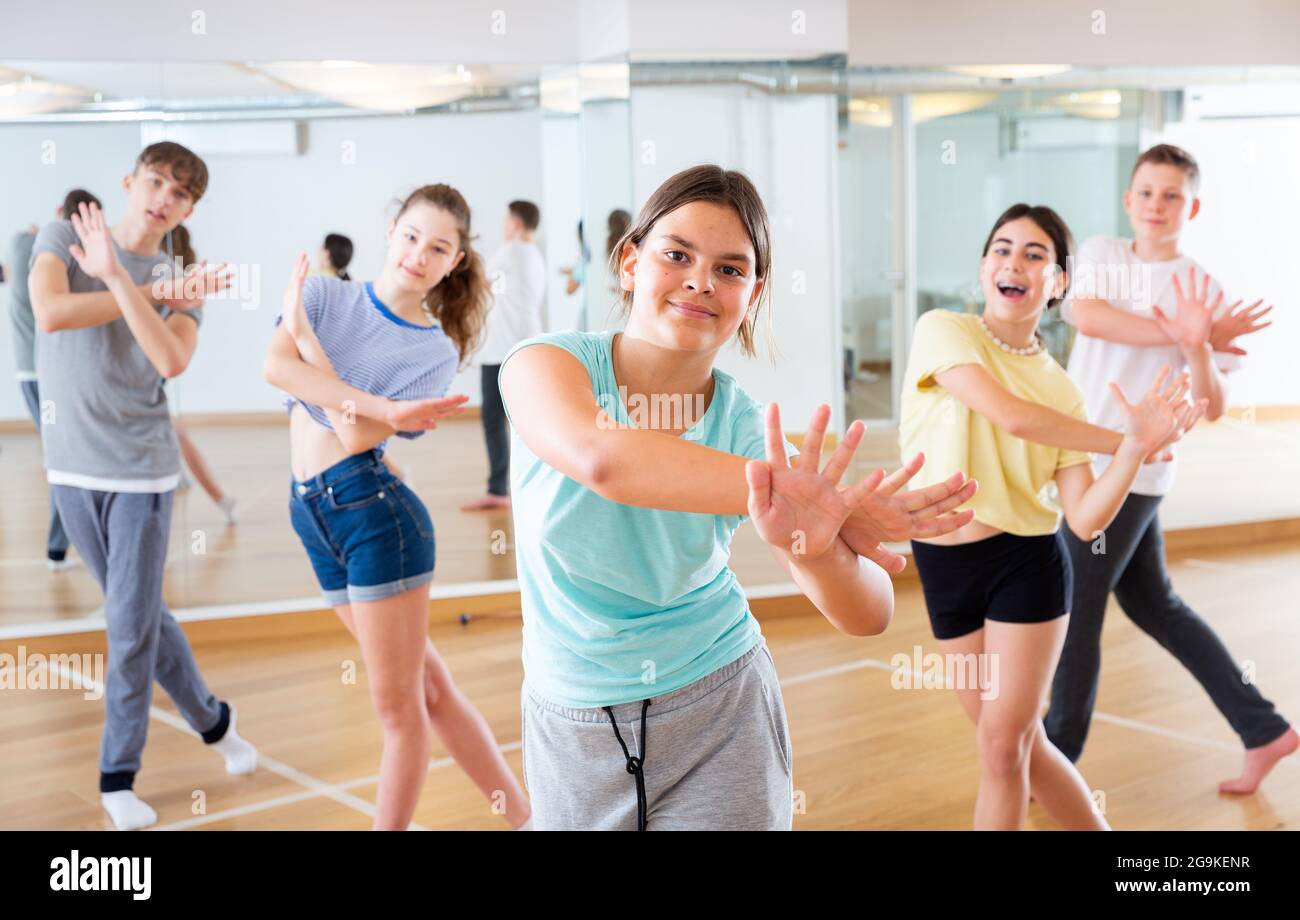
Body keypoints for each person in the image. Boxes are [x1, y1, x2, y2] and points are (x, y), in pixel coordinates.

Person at [500, 164, 978, 830]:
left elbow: (867, 615)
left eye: (731, 269)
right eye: (677, 255)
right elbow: (601, 457)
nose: (701, 280)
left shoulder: (751, 430)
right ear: (631, 262)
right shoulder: (547, 365)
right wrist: (800, 496)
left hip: (721, 707)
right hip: (571, 721)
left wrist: (812, 546)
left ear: (752, 295)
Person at [899, 203, 1205, 830]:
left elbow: (1087, 518)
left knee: (1001, 747)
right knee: (1018, 744)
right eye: (1002, 249)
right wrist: (1123, 438)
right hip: (944, 566)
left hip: (1025, 568)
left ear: (1059, 282)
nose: (1014, 262)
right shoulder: (943, 331)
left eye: (1034, 254)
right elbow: (1008, 414)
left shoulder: (1063, 391)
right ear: (985, 267)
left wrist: (1135, 451)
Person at [263, 183, 531, 831]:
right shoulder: (326, 295)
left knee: (400, 711)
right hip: (312, 513)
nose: (419, 253)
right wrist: (305, 344)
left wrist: (307, 342)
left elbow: (353, 435)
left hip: (376, 516)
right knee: (432, 691)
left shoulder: (433, 351)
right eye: (412, 236)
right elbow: (278, 371)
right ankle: (527, 820)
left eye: (438, 247)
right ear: (391, 231)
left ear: (455, 261)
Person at [1044, 143, 1296, 792]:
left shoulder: (1206, 290)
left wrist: (1201, 348)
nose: (1157, 205)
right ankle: (1264, 729)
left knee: (1077, 609)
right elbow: (1085, 316)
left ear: (1193, 206)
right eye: (1147, 192)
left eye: (1172, 195)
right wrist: (1186, 335)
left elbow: (1213, 404)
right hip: (1088, 460)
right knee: (1157, 606)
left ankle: (1054, 763)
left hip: (1140, 473)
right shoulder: (1101, 254)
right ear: (1129, 199)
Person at [27, 142, 254, 831]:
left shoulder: (181, 278)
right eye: (155, 181)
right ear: (129, 181)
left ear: (189, 209)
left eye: (180, 193)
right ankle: (215, 722)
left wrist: (135, 285)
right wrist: (139, 287)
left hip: (141, 473)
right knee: (143, 618)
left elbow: (168, 358)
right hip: (69, 465)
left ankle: (116, 776)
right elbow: (52, 313)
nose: (163, 197)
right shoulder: (65, 235)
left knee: (126, 628)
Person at [9, 189, 101, 570]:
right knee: (64, 457)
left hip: (32, 371)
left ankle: (60, 547)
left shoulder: (21, 243)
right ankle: (57, 549)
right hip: (45, 373)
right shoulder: (64, 254)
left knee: (65, 454)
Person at [462, 200, 546, 512]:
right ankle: (532, 486)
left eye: (506, 219)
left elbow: (478, 285)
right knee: (526, 418)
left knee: (493, 419)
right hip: (527, 345)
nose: (504, 225)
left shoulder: (510, 251)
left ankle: (498, 489)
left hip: (502, 348)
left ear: (515, 223)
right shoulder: (535, 256)